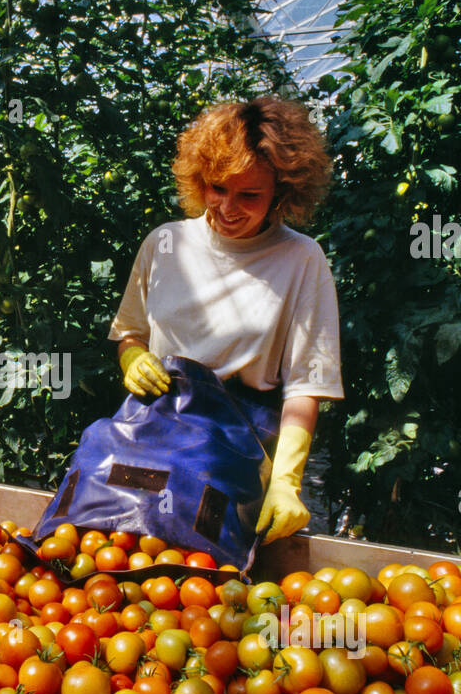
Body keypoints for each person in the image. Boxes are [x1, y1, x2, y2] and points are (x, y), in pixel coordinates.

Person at [109, 97, 343, 544]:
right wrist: (133, 357)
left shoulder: (301, 259)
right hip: (153, 424)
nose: (228, 207)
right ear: (200, 180)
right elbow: (130, 331)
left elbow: (306, 384)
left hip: (239, 441)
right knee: (114, 540)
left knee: (200, 563)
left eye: (250, 195)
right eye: (218, 188)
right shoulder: (164, 244)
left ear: (282, 191)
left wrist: (286, 481)